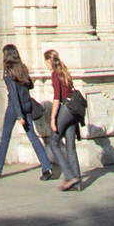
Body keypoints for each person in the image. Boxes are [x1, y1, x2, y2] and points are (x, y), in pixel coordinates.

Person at [0, 44, 53, 180]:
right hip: (27, 105)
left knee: (5, 138)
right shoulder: (23, 69)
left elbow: (14, 96)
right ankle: (47, 167)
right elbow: (31, 86)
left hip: (15, 108)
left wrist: (19, 115)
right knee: (33, 136)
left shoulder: (8, 74)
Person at [44, 48, 83, 191]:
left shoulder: (55, 74)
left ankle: (69, 175)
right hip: (74, 109)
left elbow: (56, 98)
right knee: (71, 147)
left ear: (49, 60)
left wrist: (53, 118)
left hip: (66, 109)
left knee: (54, 142)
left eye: (46, 62)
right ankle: (77, 182)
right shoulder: (65, 72)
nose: (46, 65)